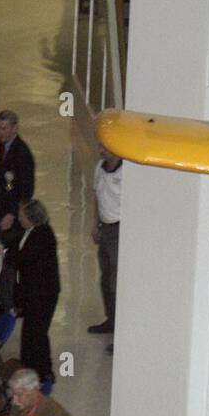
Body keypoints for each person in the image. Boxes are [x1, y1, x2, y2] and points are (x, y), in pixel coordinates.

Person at [0, 110, 35, 311]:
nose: (0, 132)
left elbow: (26, 190)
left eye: (4, 128)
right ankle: (4, 299)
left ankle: (9, 304)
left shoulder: (22, 154)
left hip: (10, 215)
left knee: (8, 261)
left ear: (15, 128)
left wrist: (13, 214)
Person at [15, 200, 59, 384]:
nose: (19, 218)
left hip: (41, 293)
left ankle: (43, 371)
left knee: (37, 332)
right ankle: (31, 367)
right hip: (35, 292)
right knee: (32, 332)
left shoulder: (42, 235)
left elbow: (24, 258)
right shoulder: (32, 232)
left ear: (31, 218)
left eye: (22, 215)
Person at [88, 143, 122, 339]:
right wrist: (95, 223)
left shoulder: (126, 172)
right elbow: (97, 197)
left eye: (105, 147)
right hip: (105, 228)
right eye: (99, 146)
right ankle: (111, 319)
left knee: (116, 282)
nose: (101, 150)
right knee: (106, 276)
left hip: (120, 229)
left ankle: (120, 327)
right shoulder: (99, 168)